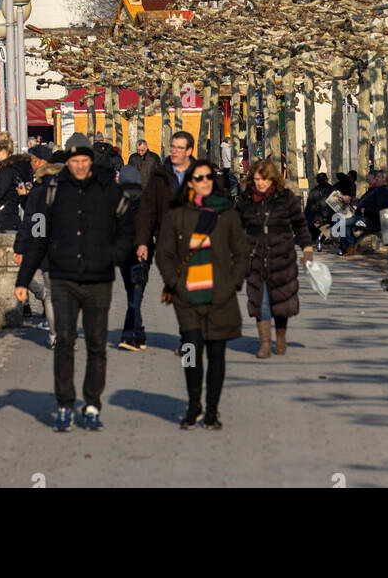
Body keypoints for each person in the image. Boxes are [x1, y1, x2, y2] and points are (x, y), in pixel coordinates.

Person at [14, 140, 135, 433]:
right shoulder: (52, 192)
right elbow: (39, 236)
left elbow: (127, 226)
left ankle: (92, 404)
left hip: (98, 279)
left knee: (96, 344)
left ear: (91, 163)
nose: (80, 166)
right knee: (65, 342)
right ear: (68, 162)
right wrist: (23, 278)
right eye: (75, 161)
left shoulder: (108, 189)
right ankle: (65, 404)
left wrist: (115, 256)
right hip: (63, 277)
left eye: (85, 161)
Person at [156, 158, 250, 429]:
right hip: (187, 297)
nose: (205, 181)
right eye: (199, 178)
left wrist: (232, 283)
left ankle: (212, 410)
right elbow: (164, 253)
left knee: (217, 355)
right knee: (191, 352)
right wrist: (174, 282)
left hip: (220, 296)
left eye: (209, 177)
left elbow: (242, 252)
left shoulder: (227, 214)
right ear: (190, 183)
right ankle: (193, 403)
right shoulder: (176, 215)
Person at [236, 158, 313, 358]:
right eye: (257, 179)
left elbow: (300, 224)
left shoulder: (286, 198)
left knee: (281, 302)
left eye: (265, 179)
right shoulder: (244, 200)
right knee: (260, 301)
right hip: (254, 256)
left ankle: (280, 336)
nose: (260, 183)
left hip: (282, 257)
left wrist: (307, 249)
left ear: (273, 180)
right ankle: (264, 343)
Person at [13, 143, 63, 345]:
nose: (31, 165)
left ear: (41, 162)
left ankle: (55, 336)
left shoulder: (40, 189)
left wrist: (23, 247)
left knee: (51, 293)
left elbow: (33, 221)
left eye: (33, 161)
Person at [135, 130, 196, 263]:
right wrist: (142, 242)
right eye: (173, 147)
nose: (174, 151)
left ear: (189, 151)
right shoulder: (160, 176)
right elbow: (147, 211)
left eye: (180, 148)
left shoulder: (202, 175)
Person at [115, 165, 147, 350]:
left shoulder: (115, 198)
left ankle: (130, 334)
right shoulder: (146, 199)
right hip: (143, 251)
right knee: (137, 291)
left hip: (123, 252)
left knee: (132, 291)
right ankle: (138, 333)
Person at [339, 170, 388, 253]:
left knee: (342, 223)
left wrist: (365, 210)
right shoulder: (377, 190)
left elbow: (382, 210)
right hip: (363, 216)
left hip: (370, 220)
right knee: (340, 220)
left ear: (384, 179)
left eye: (378, 177)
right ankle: (347, 247)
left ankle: (352, 246)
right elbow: (364, 202)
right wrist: (351, 201)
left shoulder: (385, 191)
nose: (376, 179)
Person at [0, 133, 32, 233]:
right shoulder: (15, 168)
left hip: (4, 218)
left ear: (3, 151)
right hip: (12, 215)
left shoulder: (6, 171)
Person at [304, 171, 335, 240]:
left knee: (307, 218)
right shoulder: (333, 189)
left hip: (319, 215)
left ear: (317, 181)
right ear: (326, 180)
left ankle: (316, 237)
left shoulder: (314, 191)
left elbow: (308, 206)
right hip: (333, 214)